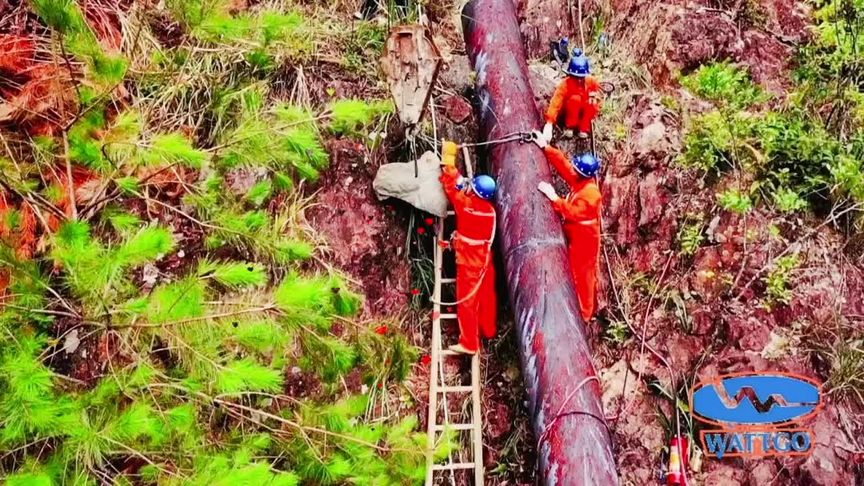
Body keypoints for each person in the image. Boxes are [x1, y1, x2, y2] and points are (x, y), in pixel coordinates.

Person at [532, 132, 602, 322]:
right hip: (577, 234)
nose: (574, 170)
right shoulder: (582, 182)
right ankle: (578, 307)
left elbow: (572, 212)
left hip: (585, 239)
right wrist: (545, 147)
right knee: (574, 270)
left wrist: (555, 198)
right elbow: (565, 168)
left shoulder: (591, 194)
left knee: (583, 273)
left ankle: (585, 313)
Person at [439, 140, 498, 355]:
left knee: (467, 302)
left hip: (469, 262)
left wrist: (449, 160)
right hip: (485, 259)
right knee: (487, 296)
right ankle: (489, 330)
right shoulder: (489, 211)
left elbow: (450, 186)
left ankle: (469, 344)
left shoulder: (466, 206)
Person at [543, 53, 602, 140]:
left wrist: (595, 104)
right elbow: (556, 103)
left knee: (592, 102)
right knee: (575, 99)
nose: (578, 80)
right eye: (576, 77)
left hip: (583, 112)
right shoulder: (565, 84)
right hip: (569, 111)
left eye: (581, 78)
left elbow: (599, 96)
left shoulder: (592, 82)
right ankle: (570, 126)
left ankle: (584, 128)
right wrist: (549, 123)